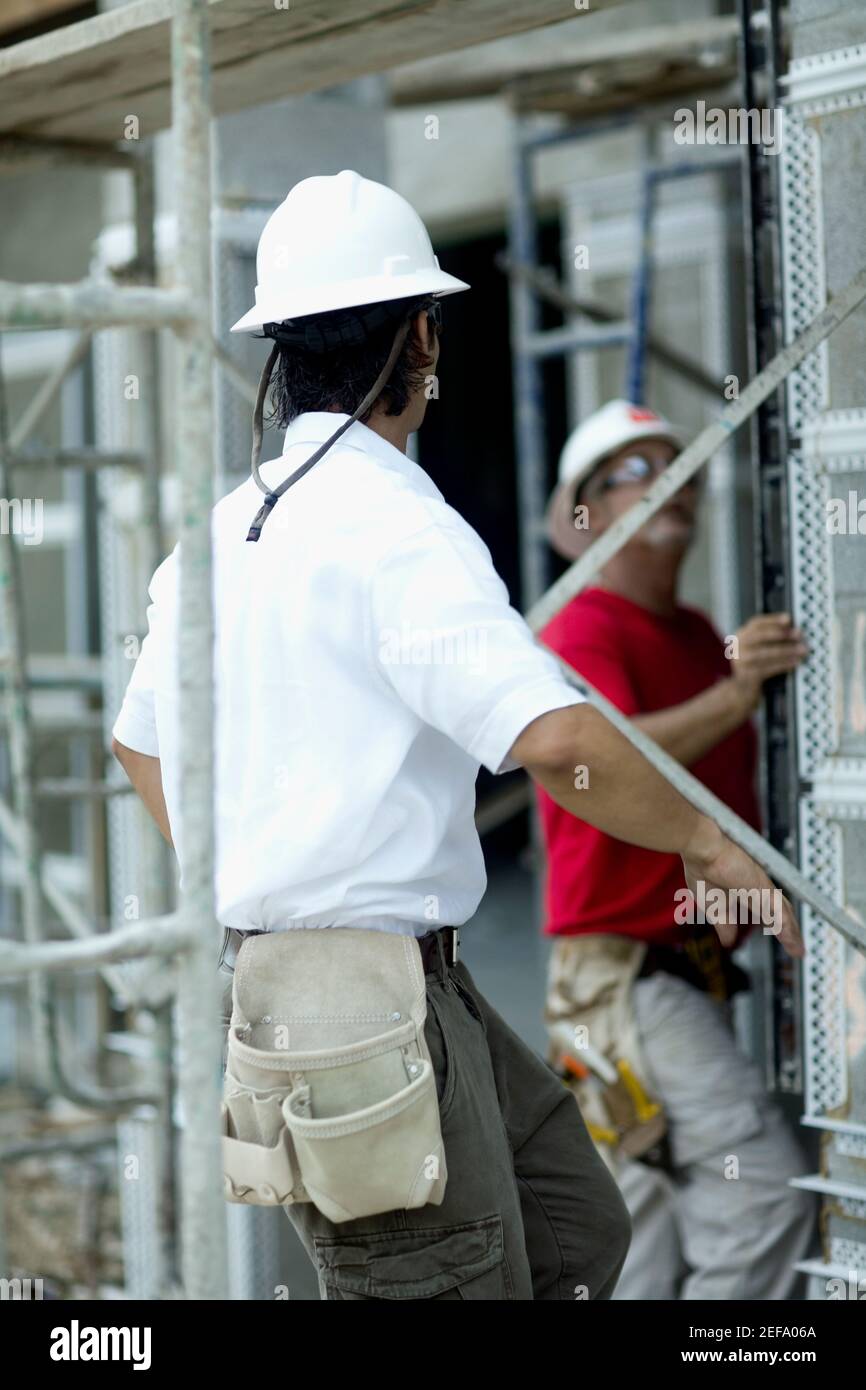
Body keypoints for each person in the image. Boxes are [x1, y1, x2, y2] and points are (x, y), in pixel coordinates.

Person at [111, 173, 803, 1301]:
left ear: (280, 348)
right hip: (356, 1001)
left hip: (392, 987)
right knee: (443, 1279)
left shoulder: (221, 536)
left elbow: (139, 745)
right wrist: (704, 840)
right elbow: (550, 737)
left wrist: (250, 867)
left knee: (574, 1233)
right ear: (420, 336)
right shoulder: (397, 527)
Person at [539, 398, 815, 1300]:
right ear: (587, 512)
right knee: (765, 1191)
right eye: (637, 473)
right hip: (626, 982)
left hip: (677, 978)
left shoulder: (697, 634)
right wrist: (738, 696)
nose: (669, 486)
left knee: (639, 1238)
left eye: (678, 467)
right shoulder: (578, 629)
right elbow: (613, 760)